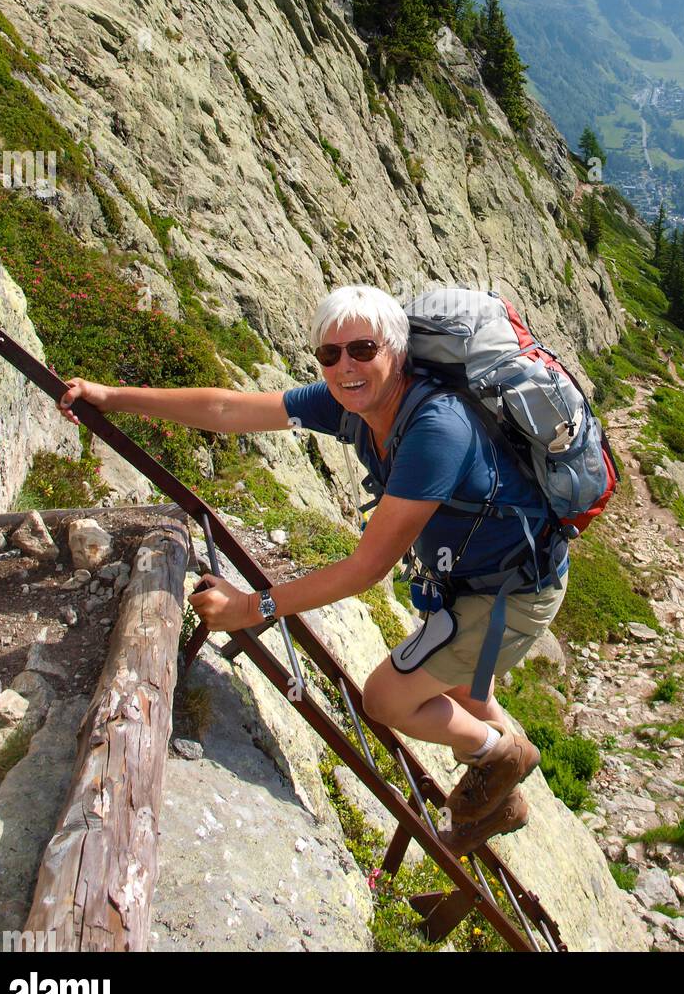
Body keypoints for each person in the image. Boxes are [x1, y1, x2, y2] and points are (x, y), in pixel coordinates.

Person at [57, 284, 569, 852]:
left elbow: (365, 568)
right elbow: (227, 409)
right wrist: (112, 396)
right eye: (330, 355)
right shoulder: (352, 402)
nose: (345, 366)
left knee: (387, 699)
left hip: (511, 594)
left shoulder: (435, 429)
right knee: (468, 693)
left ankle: (500, 757)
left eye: (361, 349)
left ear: (396, 350)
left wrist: (251, 607)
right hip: (477, 578)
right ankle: (506, 784)